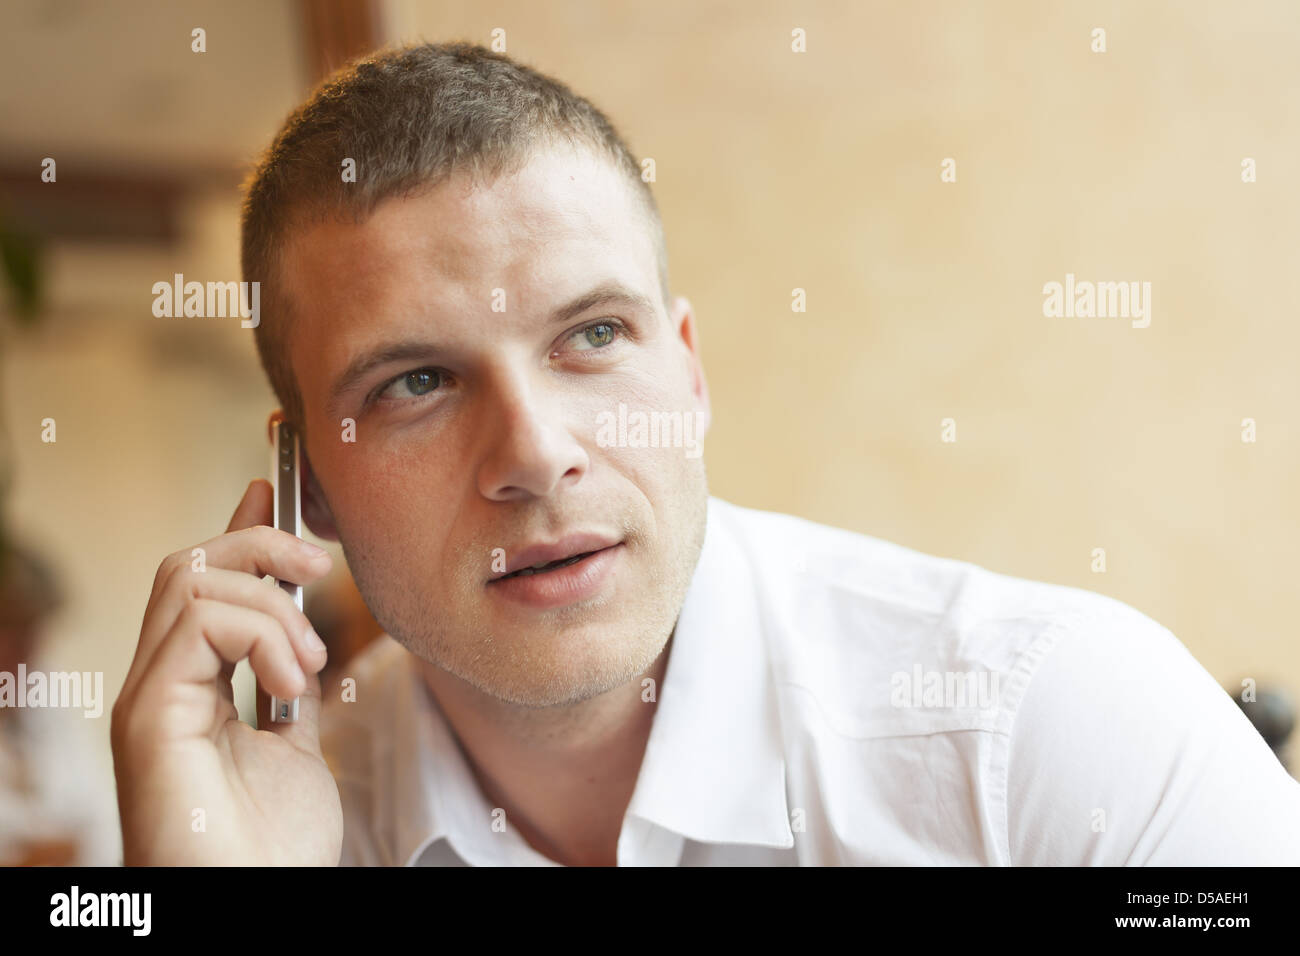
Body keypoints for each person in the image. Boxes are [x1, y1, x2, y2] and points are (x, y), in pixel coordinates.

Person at [111, 42, 1300, 866]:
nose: (536, 455)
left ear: (686, 371)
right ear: (303, 470)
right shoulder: (283, 821)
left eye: (591, 335)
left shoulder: (1054, 728)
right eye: (416, 380)